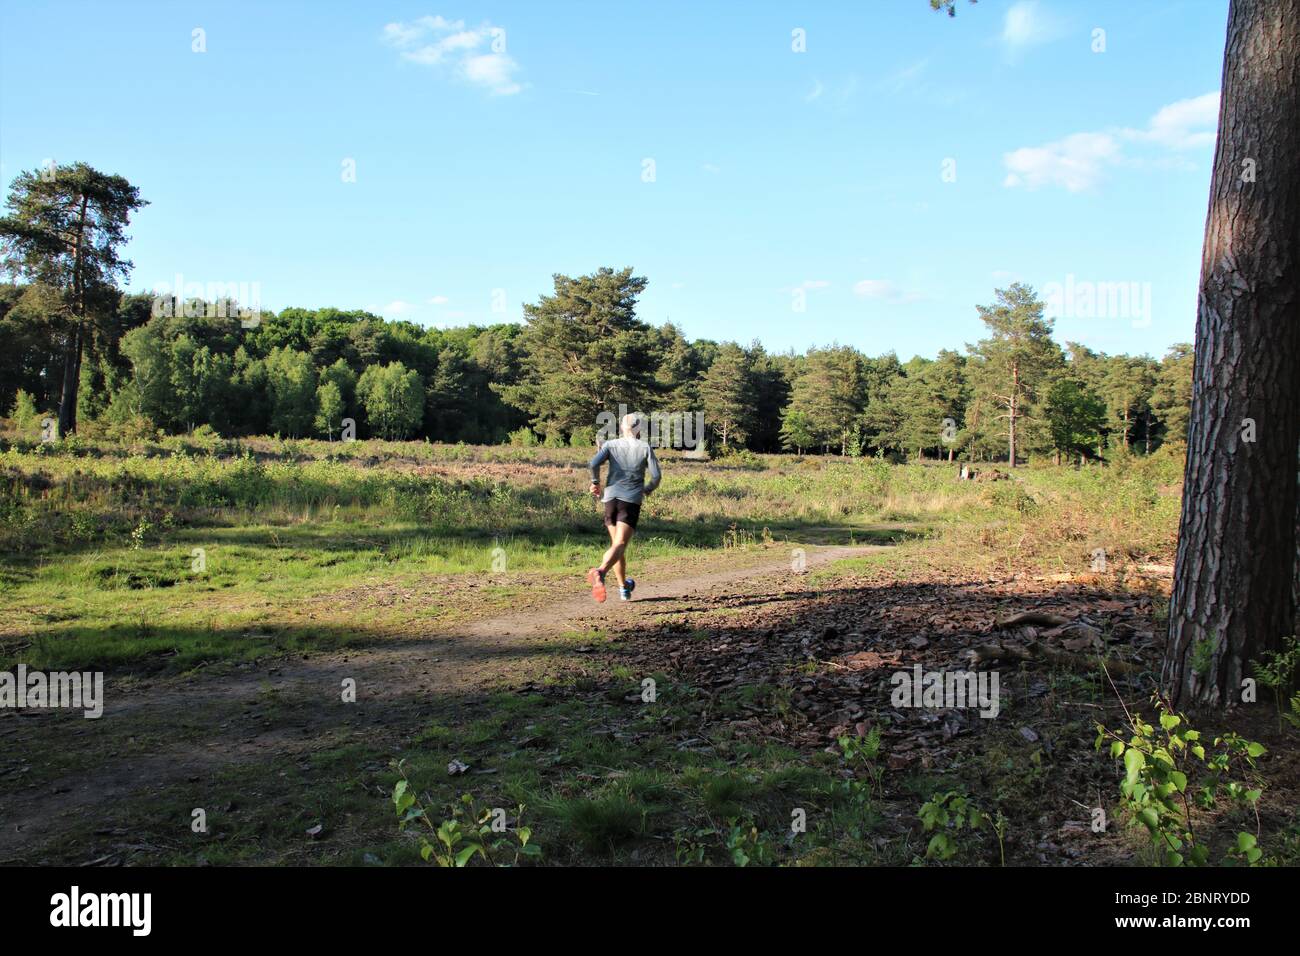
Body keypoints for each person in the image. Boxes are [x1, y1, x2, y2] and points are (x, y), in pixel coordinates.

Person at [586, 412, 661, 602]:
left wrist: (595, 482)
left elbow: (594, 463)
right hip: (630, 501)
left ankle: (624, 587)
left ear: (621, 427)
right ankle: (600, 572)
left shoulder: (610, 445)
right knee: (620, 544)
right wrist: (648, 489)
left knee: (617, 546)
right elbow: (656, 476)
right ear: (638, 429)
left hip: (610, 499)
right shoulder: (644, 447)